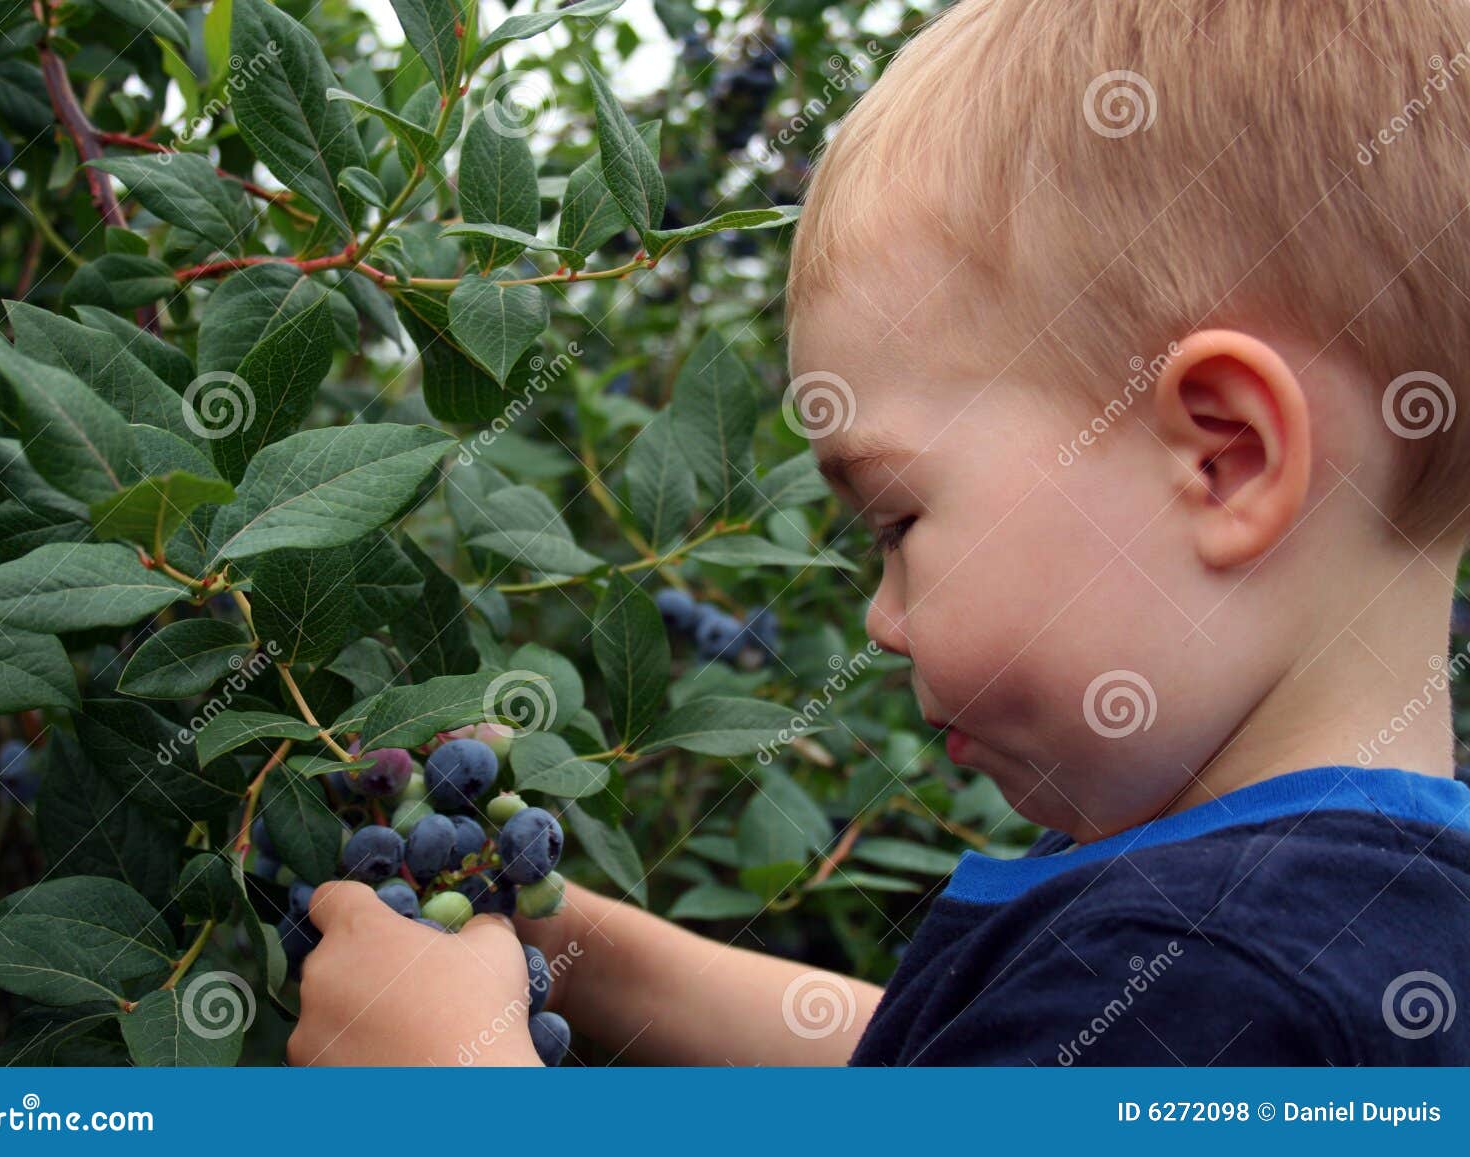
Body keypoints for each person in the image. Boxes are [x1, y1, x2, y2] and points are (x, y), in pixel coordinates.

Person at [287, 0, 1470, 1065]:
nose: (880, 620)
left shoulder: (1216, 984)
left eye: (898, 519)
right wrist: (562, 929)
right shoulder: (1326, 925)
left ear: (1222, 457)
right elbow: (916, 1054)